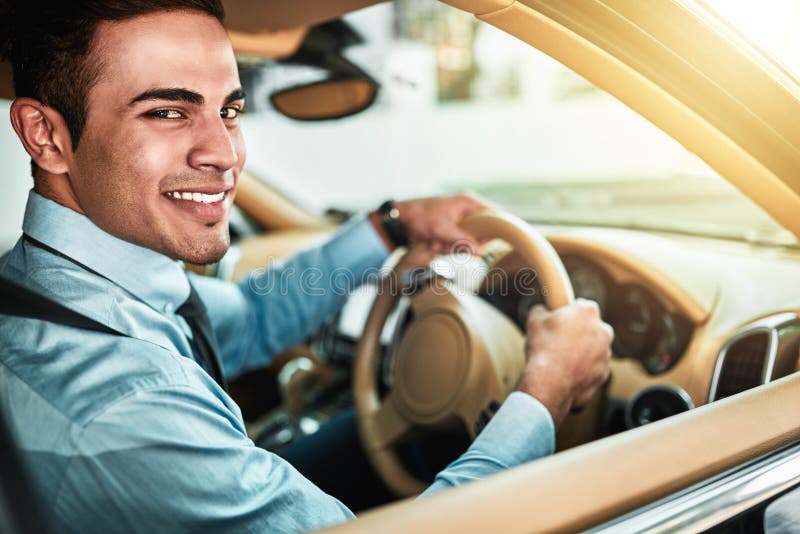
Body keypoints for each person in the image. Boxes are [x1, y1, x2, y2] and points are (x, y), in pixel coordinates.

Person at [0, 1, 613, 532]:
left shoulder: (57, 286)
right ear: (45, 134)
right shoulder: (130, 404)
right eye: (167, 111)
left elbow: (253, 318)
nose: (225, 153)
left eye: (230, 110)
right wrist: (544, 393)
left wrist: (392, 226)